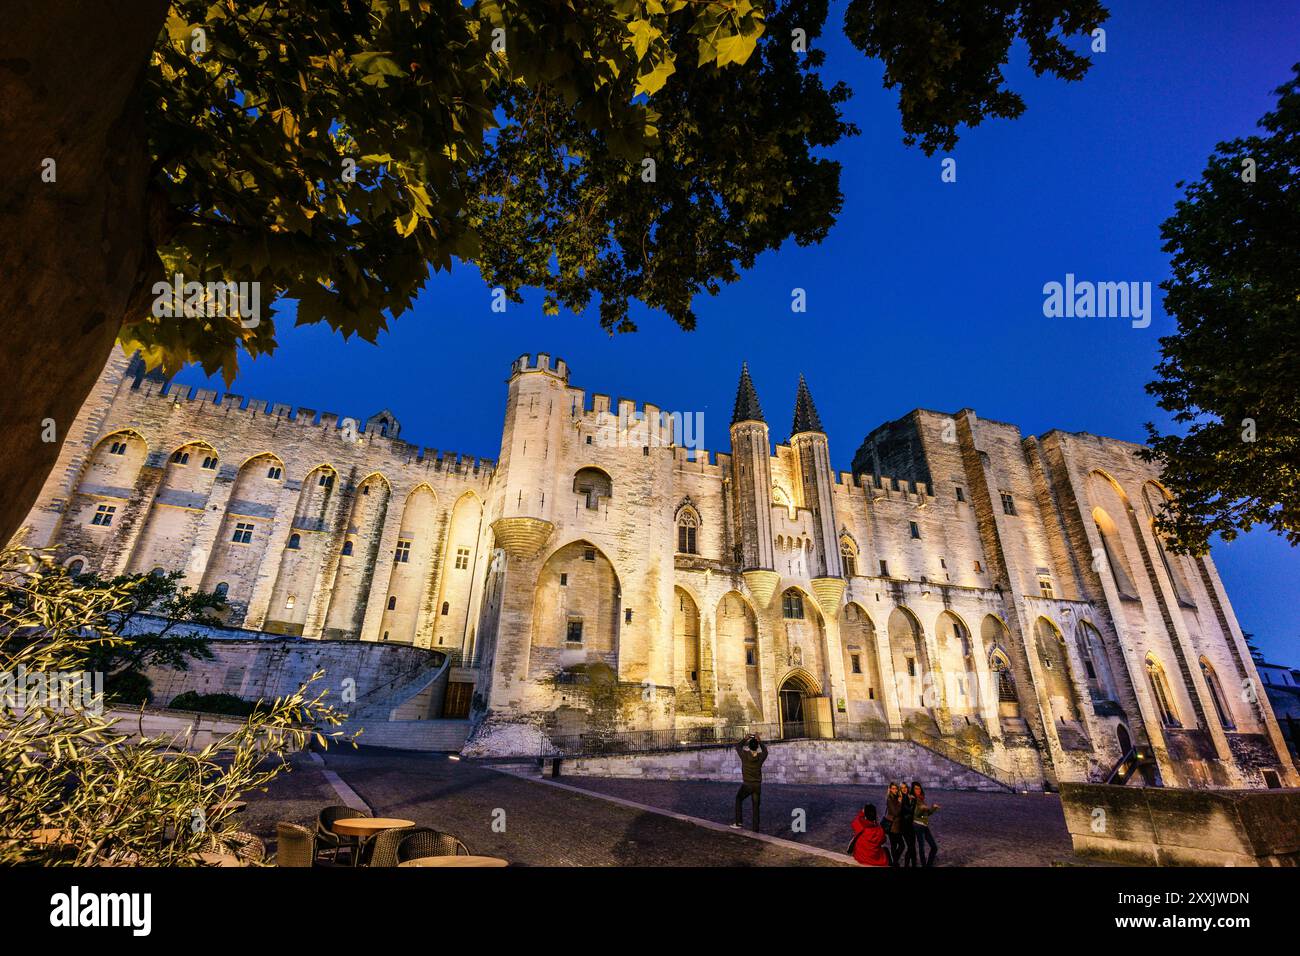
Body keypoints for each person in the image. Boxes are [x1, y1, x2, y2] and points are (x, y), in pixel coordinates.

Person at [731, 732, 767, 832]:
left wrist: (745, 738)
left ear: (749, 746)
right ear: (757, 747)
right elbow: (766, 751)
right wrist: (760, 741)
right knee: (756, 807)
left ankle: (738, 822)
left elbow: (738, 747)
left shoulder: (745, 755)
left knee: (739, 799)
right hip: (757, 785)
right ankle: (755, 829)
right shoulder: (760, 757)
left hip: (747, 784)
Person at [911, 782, 940, 866]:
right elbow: (916, 815)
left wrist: (933, 808)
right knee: (922, 848)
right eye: (916, 788)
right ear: (913, 790)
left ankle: (928, 865)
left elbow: (927, 814)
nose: (918, 790)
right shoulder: (913, 799)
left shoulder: (921, 799)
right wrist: (921, 809)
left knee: (934, 847)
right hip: (918, 825)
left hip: (924, 825)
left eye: (919, 788)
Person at [883, 782, 904, 866]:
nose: (895, 790)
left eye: (896, 788)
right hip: (892, 826)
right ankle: (895, 862)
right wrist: (899, 802)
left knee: (896, 845)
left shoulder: (896, 797)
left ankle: (894, 862)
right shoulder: (889, 799)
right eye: (893, 788)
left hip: (897, 826)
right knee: (899, 845)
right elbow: (895, 812)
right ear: (890, 789)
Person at [898, 781, 917, 867]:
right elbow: (910, 810)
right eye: (902, 788)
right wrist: (912, 800)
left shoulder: (909, 797)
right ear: (900, 789)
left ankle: (913, 864)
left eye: (905, 787)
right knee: (910, 847)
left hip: (911, 826)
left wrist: (912, 799)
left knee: (912, 847)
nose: (904, 789)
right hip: (904, 827)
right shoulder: (900, 798)